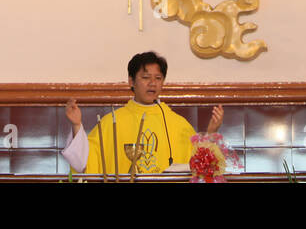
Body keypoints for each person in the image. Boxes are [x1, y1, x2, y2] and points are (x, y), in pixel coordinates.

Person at [61, 51, 225, 176]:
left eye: (158, 78)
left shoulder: (178, 124)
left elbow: (201, 167)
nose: (152, 83)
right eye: (146, 77)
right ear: (131, 81)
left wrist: (211, 133)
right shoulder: (111, 122)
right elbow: (83, 162)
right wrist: (76, 125)